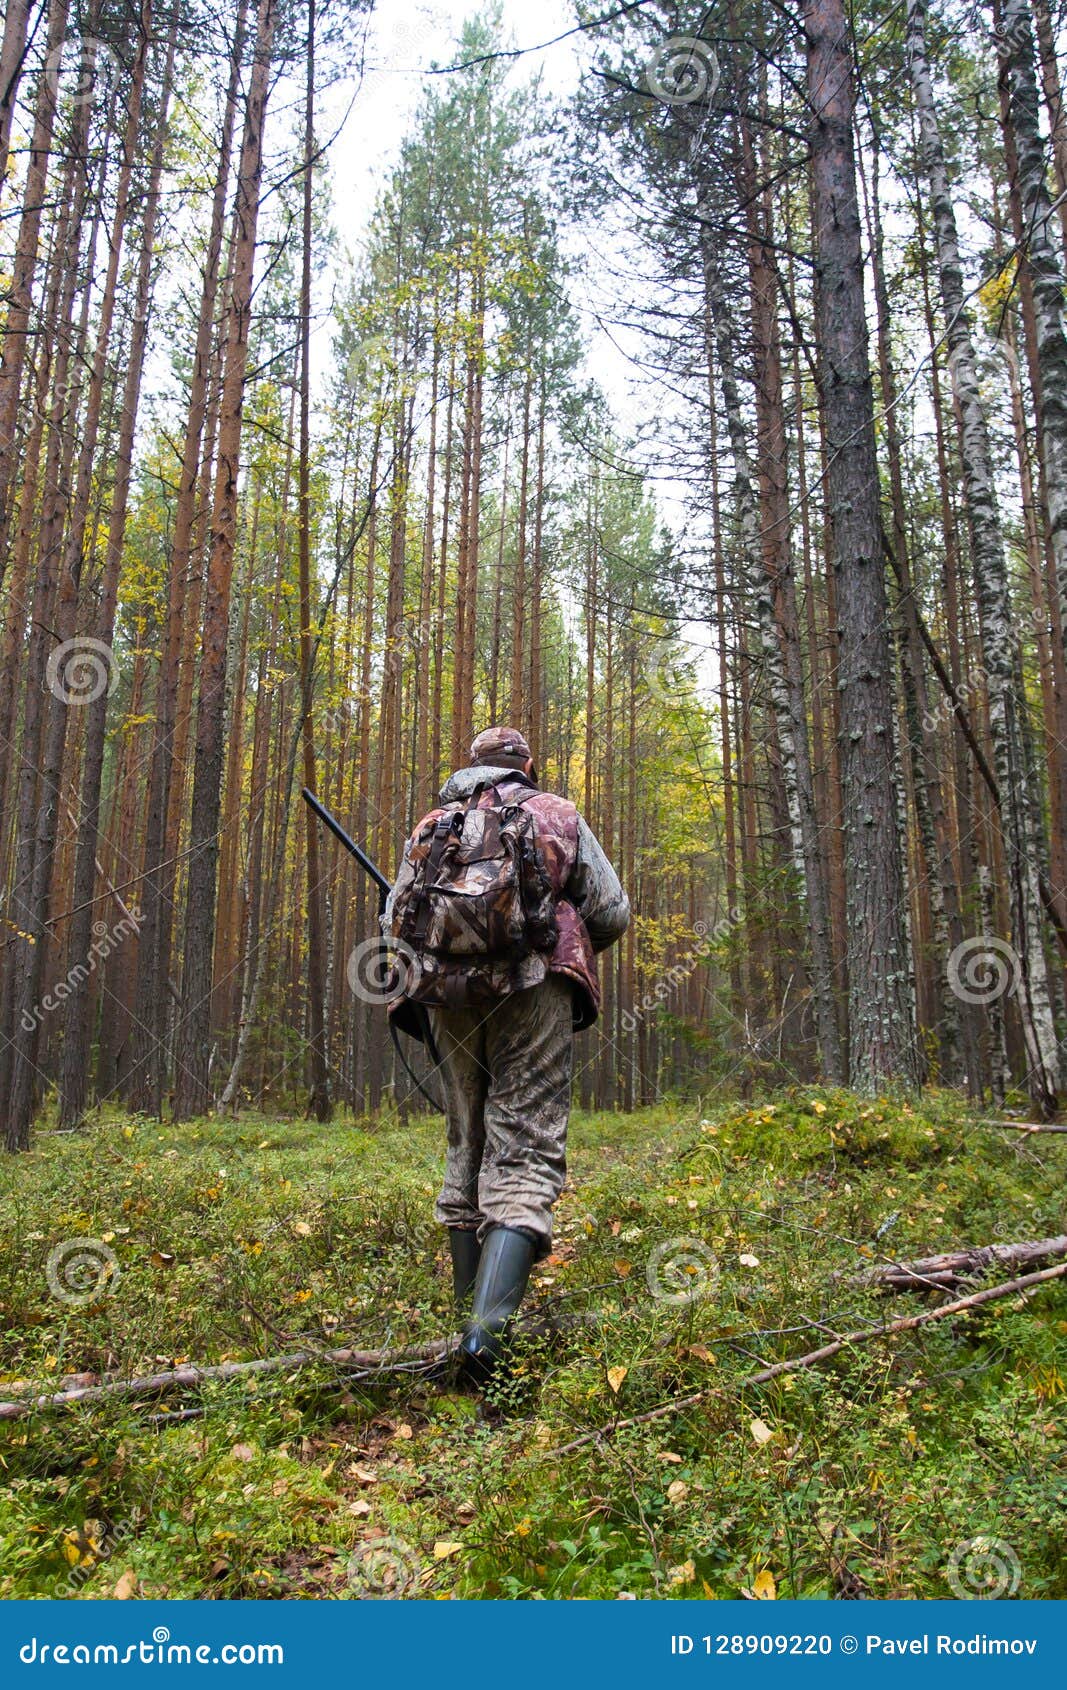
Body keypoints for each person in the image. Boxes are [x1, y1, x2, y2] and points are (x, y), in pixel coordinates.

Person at [384, 726, 629, 1377]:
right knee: (524, 1145)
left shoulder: (434, 824)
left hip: (445, 995)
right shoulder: (555, 814)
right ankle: (485, 1344)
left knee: (467, 1140)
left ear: (471, 768)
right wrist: (555, 928)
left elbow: (394, 917)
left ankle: (465, 1330)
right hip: (534, 989)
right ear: (526, 766)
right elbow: (610, 911)